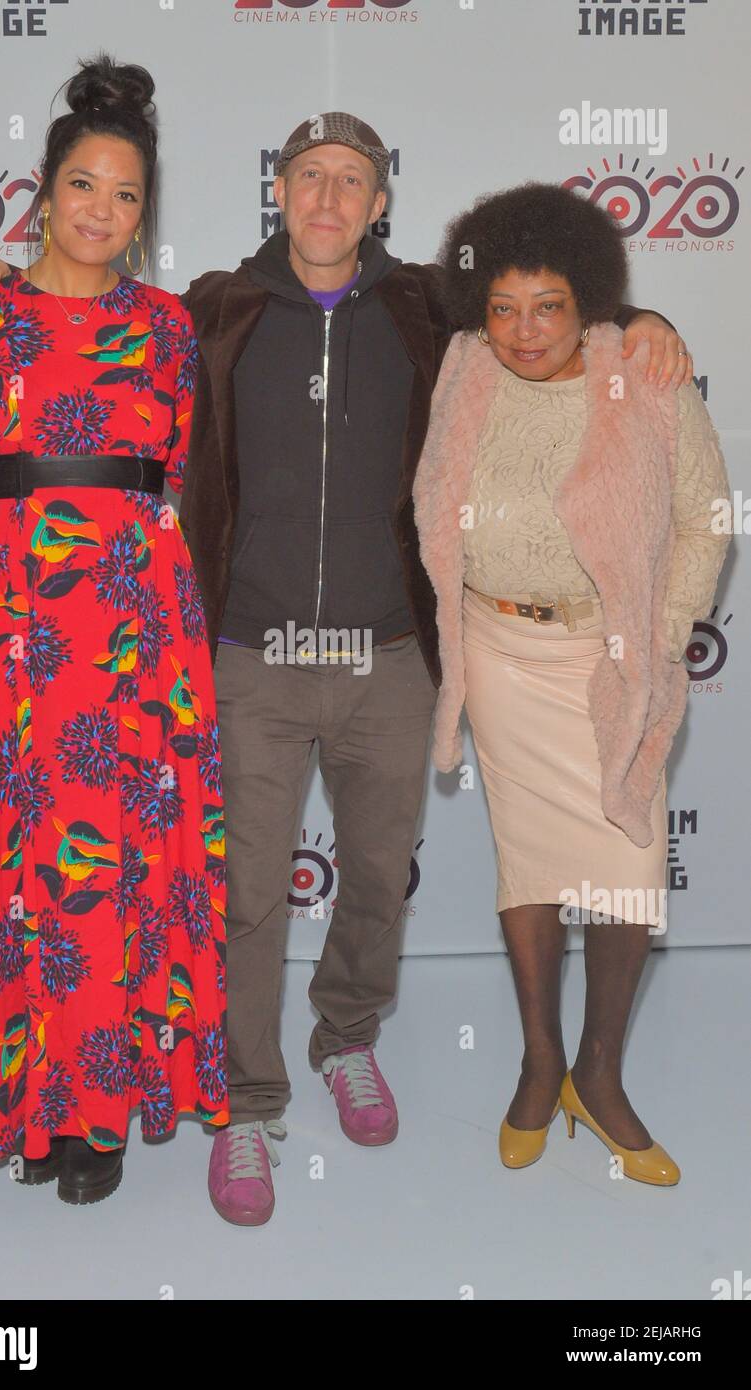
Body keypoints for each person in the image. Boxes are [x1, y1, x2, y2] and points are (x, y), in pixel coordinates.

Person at [0, 115, 692, 1224]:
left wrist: (648, 317)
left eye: (353, 181)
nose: (329, 199)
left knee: (377, 878)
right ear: (276, 190)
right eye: (309, 178)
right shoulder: (210, 310)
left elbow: (546, 309)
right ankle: (245, 1101)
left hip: (389, 652)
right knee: (239, 895)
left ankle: (347, 1041)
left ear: (381, 200)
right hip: (247, 652)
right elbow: (66, 309)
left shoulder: (430, 302)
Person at [0, 54, 227, 1205]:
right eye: (84, 186)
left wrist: (145, 611)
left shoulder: (164, 326)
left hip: (140, 640)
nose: (103, 210)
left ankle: (96, 1103)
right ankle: (22, 1097)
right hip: (15, 640)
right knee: (18, 865)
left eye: (127, 194)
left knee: (117, 864)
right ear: (43, 192)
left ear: (145, 215)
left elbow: (168, 477)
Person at [413, 182, 729, 1186]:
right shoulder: (463, 364)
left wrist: (664, 629)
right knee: (531, 867)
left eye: (546, 303)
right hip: (499, 653)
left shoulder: (640, 367)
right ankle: (539, 1055)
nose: (522, 328)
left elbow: (704, 518)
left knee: (627, 864)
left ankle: (600, 1070)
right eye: (502, 305)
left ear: (585, 299)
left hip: (612, 662)